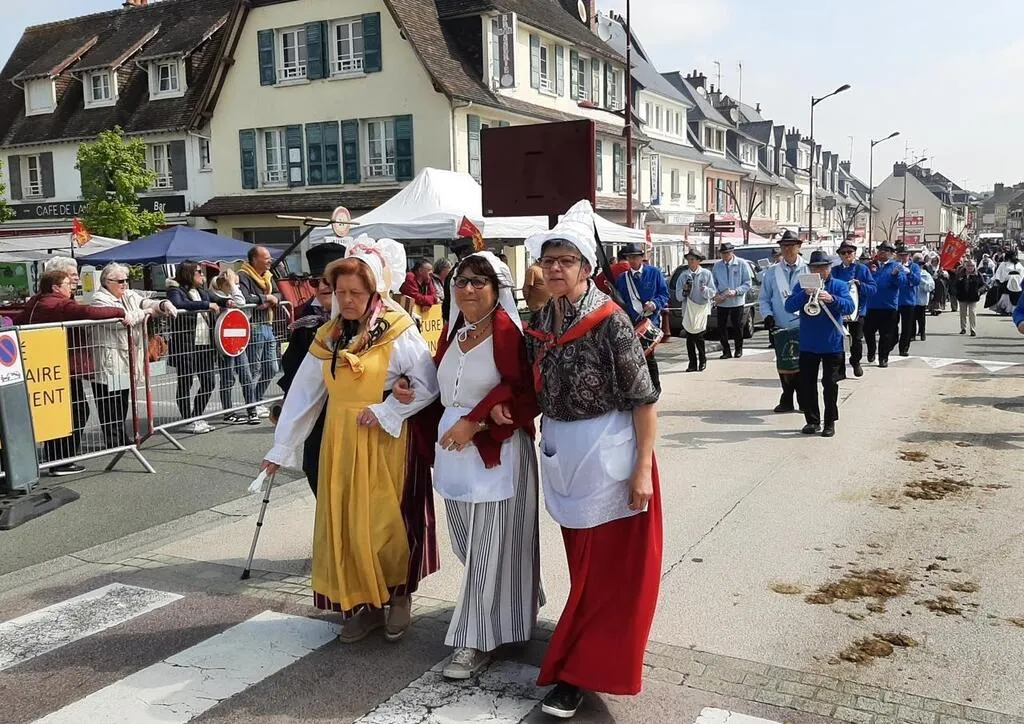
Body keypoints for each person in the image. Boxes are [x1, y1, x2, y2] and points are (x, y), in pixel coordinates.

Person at [261, 235, 440, 643]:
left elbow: (429, 386)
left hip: (385, 440)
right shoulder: (328, 335)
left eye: (355, 292)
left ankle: (398, 598)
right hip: (341, 440)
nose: (346, 299)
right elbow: (305, 393)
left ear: (374, 290)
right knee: (346, 524)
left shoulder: (398, 330)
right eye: (340, 292)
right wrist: (282, 446)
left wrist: (388, 409)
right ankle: (365, 604)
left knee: (385, 523)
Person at [523, 200, 661, 719]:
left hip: (612, 462)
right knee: (583, 573)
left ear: (587, 268)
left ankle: (579, 672)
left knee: (605, 579)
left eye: (568, 260)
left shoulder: (611, 322)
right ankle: (576, 654)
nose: (556, 268)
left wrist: (642, 470)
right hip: (565, 459)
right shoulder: (542, 321)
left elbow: (645, 401)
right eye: (550, 259)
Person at [416, 251, 543, 680]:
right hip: (453, 455)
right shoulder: (456, 331)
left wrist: (479, 419)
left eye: (478, 281)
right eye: (461, 281)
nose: (468, 289)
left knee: (489, 553)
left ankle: (473, 641)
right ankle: (514, 603)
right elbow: (437, 382)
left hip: (497, 454)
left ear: (497, 289)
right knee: (471, 547)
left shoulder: (507, 332)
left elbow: (524, 390)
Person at [12, 269, 126, 475]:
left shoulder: (36, 302)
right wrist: (120, 312)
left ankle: (56, 457)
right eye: (68, 283)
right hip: (62, 364)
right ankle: (62, 460)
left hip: (43, 364)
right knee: (77, 411)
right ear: (56, 287)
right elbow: (89, 313)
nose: (72, 287)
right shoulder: (59, 303)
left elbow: (18, 320)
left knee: (54, 411)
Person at [276, 244, 347, 494]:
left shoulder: (363, 312)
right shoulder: (309, 312)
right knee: (314, 468)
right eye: (316, 282)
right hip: (317, 408)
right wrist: (288, 399)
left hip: (352, 410)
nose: (323, 287)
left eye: (329, 280)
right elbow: (293, 360)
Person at [90, 263, 177, 448]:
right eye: (120, 281)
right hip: (109, 358)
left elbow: (145, 302)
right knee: (108, 403)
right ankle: (113, 441)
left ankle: (122, 439)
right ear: (107, 282)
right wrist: (144, 313)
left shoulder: (128, 295)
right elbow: (119, 322)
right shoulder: (98, 298)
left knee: (122, 400)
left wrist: (162, 304)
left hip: (126, 358)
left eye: (126, 280)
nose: (125, 284)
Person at [784, 250, 855, 438]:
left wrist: (832, 299)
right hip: (808, 343)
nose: (819, 271)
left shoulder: (839, 285)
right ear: (810, 269)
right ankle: (812, 420)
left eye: (823, 267)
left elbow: (850, 307)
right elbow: (789, 306)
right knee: (807, 384)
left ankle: (830, 422)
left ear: (829, 268)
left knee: (830, 384)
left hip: (832, 344)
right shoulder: (802, 284)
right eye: (815, 268)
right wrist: (803, 295)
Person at [166, 262, 220, 434]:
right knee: (185, 383)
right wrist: (205, 305)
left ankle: (196, 416)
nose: (201, 275)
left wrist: (229, 300)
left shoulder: (201, 291)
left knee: (209, 382)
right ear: (189, 273)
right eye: (198, 272)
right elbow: (179, 304)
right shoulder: (176, 290)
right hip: (186, 344)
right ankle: (187, 419)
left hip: (204, 344)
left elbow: (216, 298)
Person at [759, 231, 807, 411]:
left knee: (802, 365)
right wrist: (767, 315)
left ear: (798, 247)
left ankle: (803, 398)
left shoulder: (808, 269)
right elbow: (764, 298)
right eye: (784, 246)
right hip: (779, 325)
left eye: (791, 245)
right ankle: (787, 398)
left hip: (803, 325)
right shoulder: (772, 273)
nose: (787, 249)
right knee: (784, 363)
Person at [615, 243, 669, 393]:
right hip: (631, 322)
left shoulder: (654, 273)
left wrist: (655, 303)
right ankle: (638, 387)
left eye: (635, 257)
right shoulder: (622, 279)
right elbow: (620, 302)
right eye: (629, 258)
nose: (632, 260)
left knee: (649, 355)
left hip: (650, 321)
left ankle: (655, 388)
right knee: (633, 358)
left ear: (642, 257)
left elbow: (664, 294)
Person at [209, 269, 259, 426]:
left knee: (246, 376)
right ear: (225, 283)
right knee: (228, 378)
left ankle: (252, 410)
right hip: (224, 344)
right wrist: (232, 284)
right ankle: (228, 412)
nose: (237, 287)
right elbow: (241, 302)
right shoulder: (217, 296)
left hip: (238, 342)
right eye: (234, 283)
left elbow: (240, 302)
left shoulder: (229, 295)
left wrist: (233, 285)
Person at [238, 246, 281, 418]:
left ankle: (256, 399)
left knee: (272, 367)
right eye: (266, 258)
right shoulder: (243, 275)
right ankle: (252, 406)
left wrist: (273, 299)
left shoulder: (268, 276)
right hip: (254, 326)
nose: (270, 260)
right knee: (254, 368)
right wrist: (266, 298)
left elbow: (279, 294)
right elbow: (244, 298)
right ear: (254, 260)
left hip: (268, 324)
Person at [831, 241, 876, 378]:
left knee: (856, 340)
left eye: (849, 252)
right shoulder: (835, 271)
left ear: (854, 254)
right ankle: (840, 369)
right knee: (838, 339)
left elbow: (873, 289)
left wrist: (860, 285)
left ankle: (855, 362)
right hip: (839, 309)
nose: (846, 255)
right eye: (843, 253)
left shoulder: (862, 269)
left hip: (858, 311)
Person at [863, 242, 906, 369]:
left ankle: (883, 358)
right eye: (881, 250)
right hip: (871, 305)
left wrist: (896, 275)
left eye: (887, 250)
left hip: (888, 306)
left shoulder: (896, 266)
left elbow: (902, 284)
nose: (883, 252)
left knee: (886, 334)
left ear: (892, 254)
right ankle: (871, 351)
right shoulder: (869, 266)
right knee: (868, 332)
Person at [675, 249, 716, 372]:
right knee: (689, 336)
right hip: (688, 308)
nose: (690, 262)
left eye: (693, 260)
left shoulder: (706, 274)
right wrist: (684, 292)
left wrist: (704, 290)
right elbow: (678, 296)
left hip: (701, 307)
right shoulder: (683, 275)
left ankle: (702, 360)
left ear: (698, 261)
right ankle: (692, 363)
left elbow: (712, 292)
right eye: (689, 260)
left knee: (699, 335)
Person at [711, 242, 752, 359]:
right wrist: (716, 295)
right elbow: (713, 282)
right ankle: (726, 350)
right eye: (722, 253)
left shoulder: (741, 264)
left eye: (727, 253)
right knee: (721, 327)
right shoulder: (717, 266)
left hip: (737, 301)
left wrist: (736, 291)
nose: (724, 255)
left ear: (732, 252)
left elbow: (747, 283)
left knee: (737, 326)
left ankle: (738, 349)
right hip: (722, 302)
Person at [894, 244, 921, 357]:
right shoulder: (894, 265)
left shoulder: (914, 266)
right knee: (892, 326)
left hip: (908, 301)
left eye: (905, 255)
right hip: (895, 301)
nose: (902, 257)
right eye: (900, 255)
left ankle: (903, 348)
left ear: (909, 256)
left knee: (907, 327)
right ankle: (893, 342)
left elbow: (917, 281)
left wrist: (909, 272)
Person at [953, 258, 984, 336]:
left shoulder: (978, 274)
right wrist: (957, 292)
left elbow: (983, 285)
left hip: (973, 297)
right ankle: (963, 328)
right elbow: (955, 284)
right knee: (963, 313)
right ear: (965, 266)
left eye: (972, 266)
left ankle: (972, 329)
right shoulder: (961, 274)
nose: (970, 267)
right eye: (968, 266)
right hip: (962, 297)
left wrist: (979, 292)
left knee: (972, 313)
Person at [912, 254, 936, 342]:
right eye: (917, 264)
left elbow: (931, 286)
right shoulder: (911, 273)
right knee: (912, 319)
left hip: (921, 300)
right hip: (912, 300)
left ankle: (922, 333)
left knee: (921, 318)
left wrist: (922, 282)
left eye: (921, 264)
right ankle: (912, 334)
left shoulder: (926, 274)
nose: (919, 266)